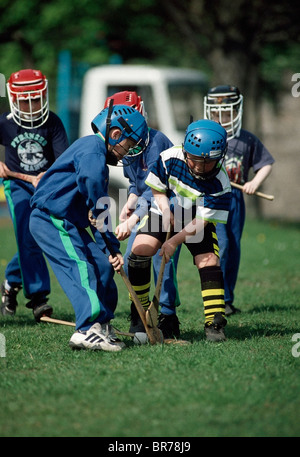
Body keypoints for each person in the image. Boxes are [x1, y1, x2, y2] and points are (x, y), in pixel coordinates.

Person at [29, 104, 149, 351]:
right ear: (115, 134)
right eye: (128, 146)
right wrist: (107, 235)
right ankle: (86, 329)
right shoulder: (92, 151)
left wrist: (111, 250)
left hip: (68, 223)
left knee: (102, 266)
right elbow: (97, 202)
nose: (127, 153)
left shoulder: (98, 161)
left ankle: (102, 325)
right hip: (51, 220)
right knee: (83, 267)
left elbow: (97, 213)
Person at [126, 119, 232, 342]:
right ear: (185, 151)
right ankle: (140, 315)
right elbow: (156, 188)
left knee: (209, 260)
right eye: (194, 160)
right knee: (140, 248)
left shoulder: (221, 183)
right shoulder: (169, 158)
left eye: (207, 162)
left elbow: (202, 222)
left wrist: (174, 240)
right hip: (165, 210)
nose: (199, 167)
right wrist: (166, 212)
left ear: (219, 157)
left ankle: (214, 323)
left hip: (196, 220)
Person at [104, 91, 181, 338]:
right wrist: (130, 202)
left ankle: (167, 317)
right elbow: (137, 185)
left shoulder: (155, 142)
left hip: (170, 206)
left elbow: (156, 189)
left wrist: (133, 219)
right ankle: (140, 315)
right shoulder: (127, 148)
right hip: (146, 205)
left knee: (162, 259)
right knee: (131, 257)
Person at [0, 69, 69, 320]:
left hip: (46, 187)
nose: (30, 105)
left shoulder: (53, 122)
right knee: (28, 234)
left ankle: (10, 282)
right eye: (24, 100)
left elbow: (63, 160)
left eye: (35, 99)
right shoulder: (5, 123)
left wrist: (48, 176)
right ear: (13, 99)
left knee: (38, 237)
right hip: (16, 186)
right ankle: (39, 299)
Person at [204, 85, 275, 315]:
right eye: (218, 114)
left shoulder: (246, 139)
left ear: (236, 112)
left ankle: (227, 299)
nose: (223, 118)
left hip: (235, 200)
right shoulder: (206, 137)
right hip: (214, 198)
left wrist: (255, 182)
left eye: (227, 113)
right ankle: (216, 299)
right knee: (221, 245)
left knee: (233, 247)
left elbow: (266, 163)